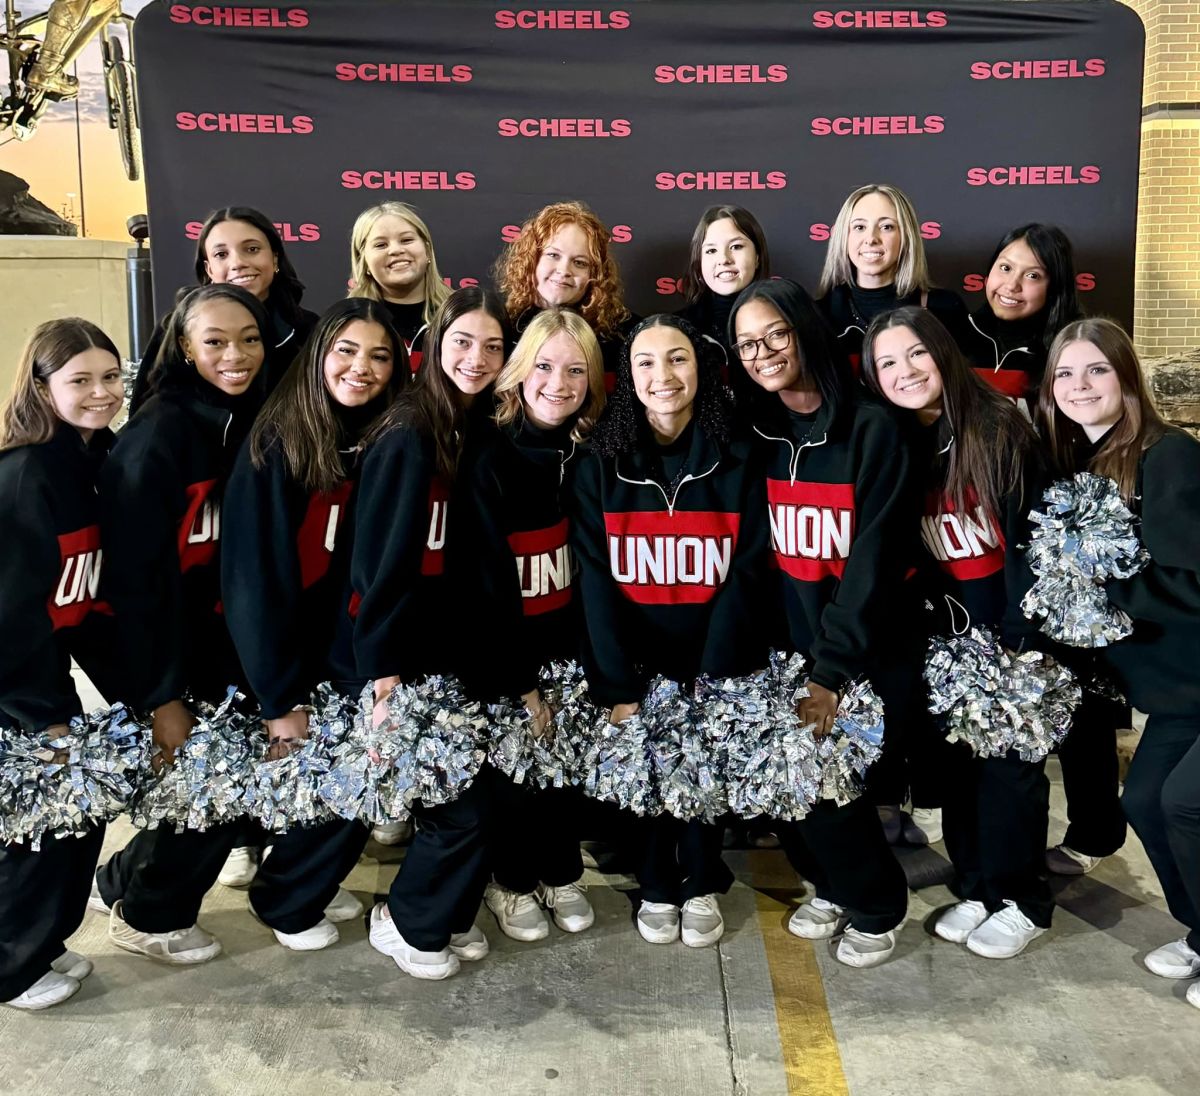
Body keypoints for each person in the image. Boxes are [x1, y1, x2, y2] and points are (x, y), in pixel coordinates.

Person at [730, 278, 910, 967]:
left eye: (776, 333)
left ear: (806, 330)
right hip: (782, 649)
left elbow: (873, 563)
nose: (765, 351)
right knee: (790, 788)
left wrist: (831, 669)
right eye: (749, 343)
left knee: (834, 793)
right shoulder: (763, 432)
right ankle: (828, 888)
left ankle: (877, 908)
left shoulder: (872, 428)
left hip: (850, 653)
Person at [572, 314, 766, 949]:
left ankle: (703, 880)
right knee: (647, 772)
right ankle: (655, 882)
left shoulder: (737, 455)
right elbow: (593, 579)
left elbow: (748, 569)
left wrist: (719, 668)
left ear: (701, 369)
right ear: (628, 377)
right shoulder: (600, 463)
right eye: (646, 363)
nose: (663, 376)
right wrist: (614, 675)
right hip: (637, 656)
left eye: (677, 359)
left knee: (703, 770)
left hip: (711, 653)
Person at [863, 305, 1050, 960]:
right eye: (887, 362)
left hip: (1012, 630)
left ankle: (1022, 899)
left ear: (941, 351)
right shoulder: (899, 443)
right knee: (961, 767)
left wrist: (1022, 633)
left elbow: (1039, 542)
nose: (905, 371)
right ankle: (976, 883)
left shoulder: (1000, 428)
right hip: (947, 638)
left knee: (1011, 770)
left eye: (915, 353)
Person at [89, 284, 269, 964]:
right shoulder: (159, 432)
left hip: (227, 642)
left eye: (248, 339)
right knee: (210, 784)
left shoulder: (251, 414)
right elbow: (132, 587)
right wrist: (160, 696)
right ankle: (149, 915)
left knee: (220, 778)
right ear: (186, 347)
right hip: (172, 648)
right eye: (215, 341)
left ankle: (118, 880)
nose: (235, 354)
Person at [221, 299, 408, 951]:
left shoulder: (378, 437)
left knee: (357, 780)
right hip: (290, 662)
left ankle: (293, 889)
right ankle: (285, 901)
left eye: (380, 356)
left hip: (347, 651)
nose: (362, 368)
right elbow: (252, 582)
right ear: (318, 355)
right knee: (336, 786)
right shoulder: (277, 440)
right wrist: (279, 697)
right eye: (347, 351)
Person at [354, 287, 515, 980]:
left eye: (492, 346)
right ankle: (407, 921)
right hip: (408, 660)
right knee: (461, 807)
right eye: (462, 342)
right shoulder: (408, 432)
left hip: (455, 654)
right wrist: (385, 672)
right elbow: (380, 566)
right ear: (433, 346)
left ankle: (444, 914)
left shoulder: (470, 428)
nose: (476, 359)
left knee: (478, 795)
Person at [1039, 317, 1200, 1011]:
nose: (1079, 386)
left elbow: (1190, 580)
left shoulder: (1171, 457)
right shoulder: (1094, 464)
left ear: (1127, 377)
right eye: (1064, 374)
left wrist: (1099, 580)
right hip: (1174, 691)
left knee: (1184, 803)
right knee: (1142, 801)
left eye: (1096, 370)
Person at [456, 308, 607, 943]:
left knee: (562, 769)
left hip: (565, 644)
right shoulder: (486, 454)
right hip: (504, 649)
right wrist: (521, 681)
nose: (558, 383)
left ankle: (560, 869)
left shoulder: (589, 450)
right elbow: (485, 587)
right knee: (512, 774)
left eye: (576, 370)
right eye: (544, 366)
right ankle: (510, 880)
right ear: (519, 372)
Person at [0, 319, 124, 1010]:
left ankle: (40, 943)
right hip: (17, 690)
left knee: (77, 819)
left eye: (110, 377)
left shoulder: (90, 461)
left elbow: (81, 601)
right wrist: (43, 718)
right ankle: (10, 967)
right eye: (80, 380)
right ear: (42, 388)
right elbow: (11, 618)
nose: (101, 392)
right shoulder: (24, 476)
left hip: (47, 681)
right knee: (38, 830)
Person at [130, 206, 318, 416]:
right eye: (221, 254)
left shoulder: (308, 329)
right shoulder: (176, 327)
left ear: (274, 258)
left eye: (252, 249)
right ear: (209, 269)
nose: (238, 263)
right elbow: (145, 414)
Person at [815, 184, 969, 374]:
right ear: (843, 237)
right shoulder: (816, 314)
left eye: (886, 227)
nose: (871, 238)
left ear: (906, 236)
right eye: (859, 227)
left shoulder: (945, 308)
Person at [494, 200, 638, 392]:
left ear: (595, 274)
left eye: (579, 262)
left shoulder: (625, 334)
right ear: (532, 260)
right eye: (553, 255)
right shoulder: (501, 328)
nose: (564, 270)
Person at [963, 224, 1083, 409]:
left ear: (1054, 287)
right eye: (1005, 267)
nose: (1012, 285)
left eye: (1032, 275)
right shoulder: (956, 332)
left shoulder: (1074, 348)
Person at [348, 201, 450, 375]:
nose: (396, 250)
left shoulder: (459, 316)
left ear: (427, 250)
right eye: (381, 245)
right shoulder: (346, 323)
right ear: (363, 261)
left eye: (407, 240)